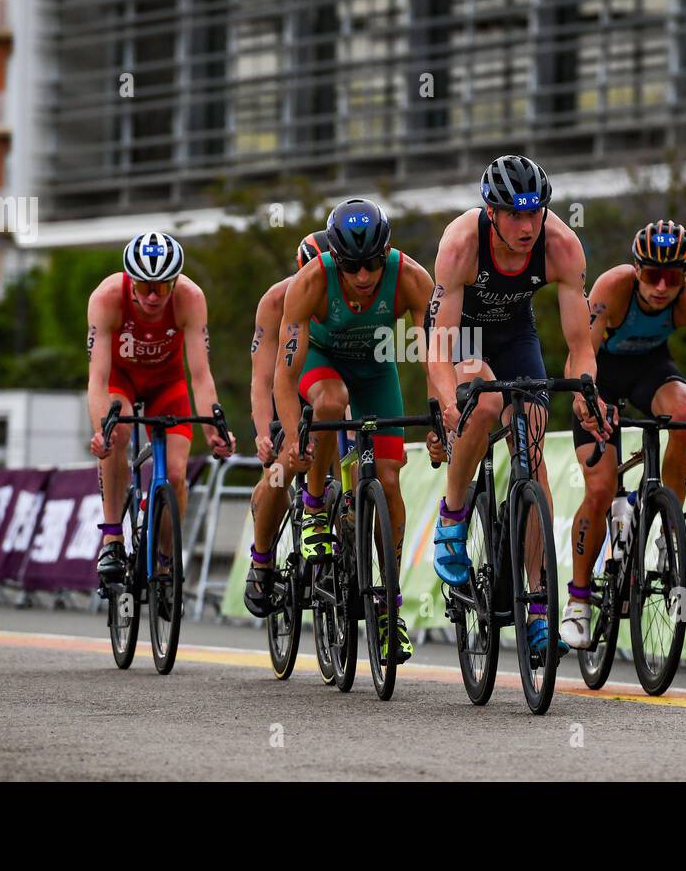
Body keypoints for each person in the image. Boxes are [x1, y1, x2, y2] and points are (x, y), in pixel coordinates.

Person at [425, 154, 608, 657]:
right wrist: (445, 401)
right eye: (515, 215)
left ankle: (538, 608)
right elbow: (438, 347)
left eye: (536, 213)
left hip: (515, 335)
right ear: (491, 211)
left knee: (535, 448)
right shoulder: (461, 244)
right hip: (462, 338)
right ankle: (453, 515)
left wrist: (588, 390)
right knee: (482, 404)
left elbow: (580, 344)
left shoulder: (561, 246)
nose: (528, 226)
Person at [558, 221, 686, 648]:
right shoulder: (612, 287)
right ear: (637, 269)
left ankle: (665, 527)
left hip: (650, 370)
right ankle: (579, 599)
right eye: (652, 275)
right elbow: (579, 355)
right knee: (602, 488)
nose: (662, 287)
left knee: (683, 410)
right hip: (597, 375)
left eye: (673, 277)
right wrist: (585, 400)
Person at [275, 199, 436, 661]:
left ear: (385, 253)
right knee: (330, 401)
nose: (364, 277)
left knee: (387, 480)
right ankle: (312, 507)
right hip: (322, 364)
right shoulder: (310, 283)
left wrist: (439, 417)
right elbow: (284, 377)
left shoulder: (410, 278)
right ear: (335, 258)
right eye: (351, 266)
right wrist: (293, 436)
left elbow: (434, 354)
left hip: (375, 370)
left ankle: (388, 607)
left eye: (371, 264)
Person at [87, 231, 235, 582]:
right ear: (130, 280)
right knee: (117, 433)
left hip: (168, 385)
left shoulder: (191, 298)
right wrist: (100, 431)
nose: (154, 296)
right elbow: (97, 377)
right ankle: (112, 536)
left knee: (177, 474)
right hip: (120, 382)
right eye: (144, 286)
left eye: (163, 287)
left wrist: (214, 429)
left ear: (176, 282)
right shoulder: (107, 298)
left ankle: (166, 558)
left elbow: (200, 376)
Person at [242, 232, 329, 618]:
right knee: (279, 473)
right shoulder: (276, 302)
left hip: (327, 389)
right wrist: (263, 433)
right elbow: (262, 379)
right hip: (286, 392)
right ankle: (261, 562)